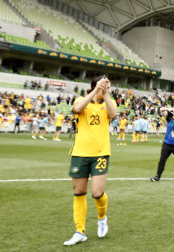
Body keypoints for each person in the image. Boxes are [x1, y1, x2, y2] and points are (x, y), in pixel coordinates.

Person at [63, 75, 116, 246]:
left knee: (97, 193)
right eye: (104, 85)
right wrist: (95, 90)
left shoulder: (109, 102)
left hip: (100, 153)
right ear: (95, 86)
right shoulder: (81, 99)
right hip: (80, 153)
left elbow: (113, 114)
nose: (107, 88)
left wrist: (106, 93)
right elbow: (77, 109)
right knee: (78, 192)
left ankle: (102, 218)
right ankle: (80, 231)